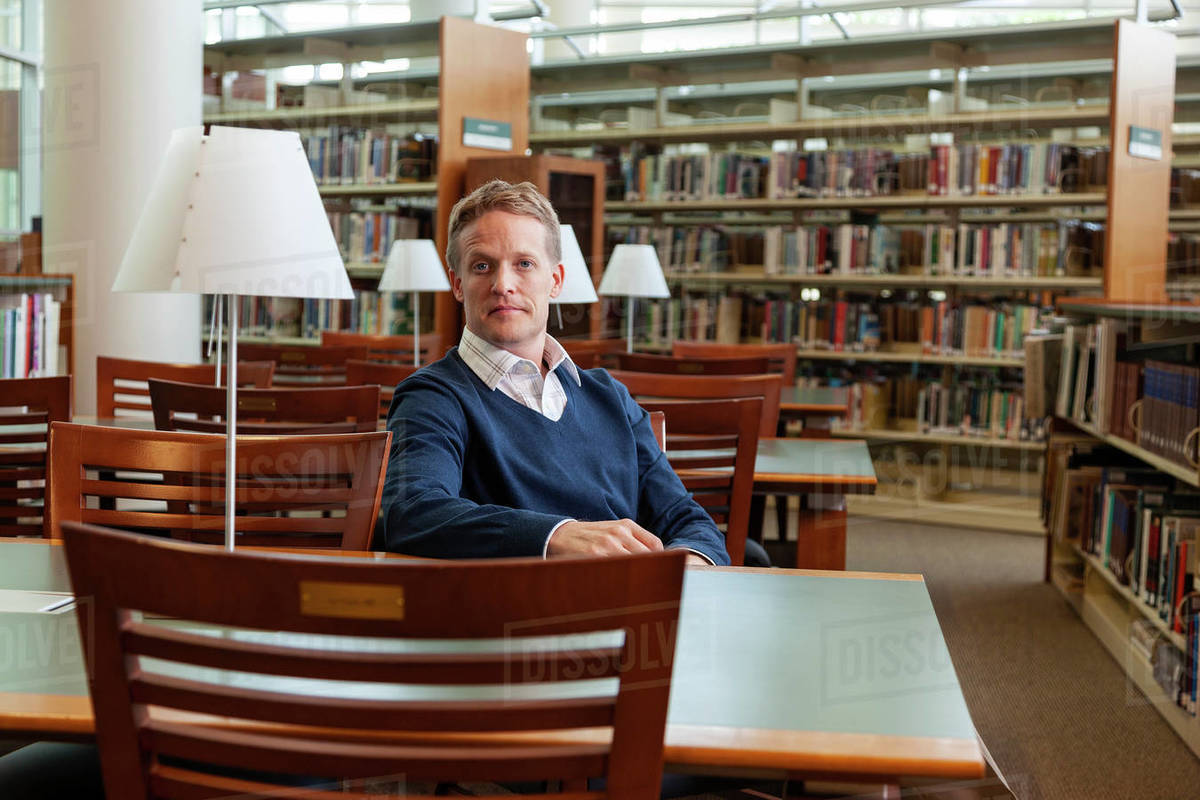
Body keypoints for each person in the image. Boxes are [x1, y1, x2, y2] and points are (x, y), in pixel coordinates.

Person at [377, 179, 729, 566]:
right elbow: (414, 512)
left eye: (524, 264)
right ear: (458, 285)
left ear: (556, 281)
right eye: (482, 266)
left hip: (631, 596)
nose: (502, 285)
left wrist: (688, 568)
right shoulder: (432, 397)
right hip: (517, 602)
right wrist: (557, 534)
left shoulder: (609, 396)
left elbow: (688, 521)